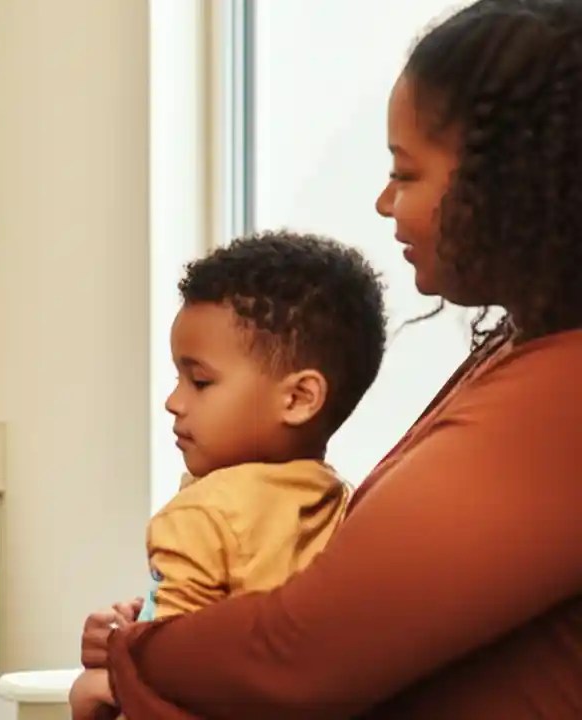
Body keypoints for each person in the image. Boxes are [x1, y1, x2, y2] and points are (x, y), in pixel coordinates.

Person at [73, 0, 582, 717]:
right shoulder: (527, 350)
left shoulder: (560, 397)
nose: (384, 201)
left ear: (511, 184)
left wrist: (134, 654)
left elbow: (297, 654)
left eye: (406, 174)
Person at [68, 231, 387, 715]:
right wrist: (137, 627)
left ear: (299, 398)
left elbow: (164, 687)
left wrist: (96, 692)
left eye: (199, 381)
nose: (174, 401)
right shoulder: (342, 503)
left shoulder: (200, 516)